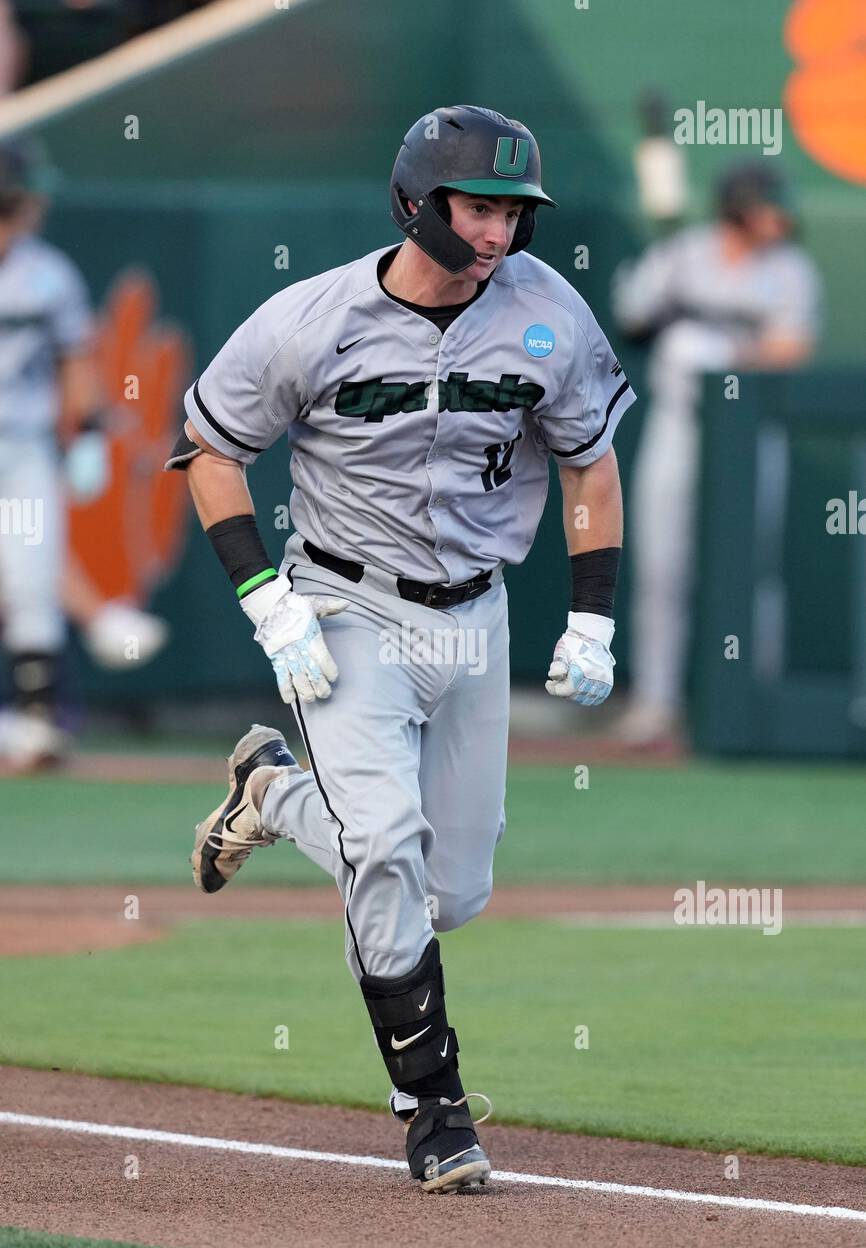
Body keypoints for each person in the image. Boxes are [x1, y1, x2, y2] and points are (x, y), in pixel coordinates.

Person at [170, 106, 634, 1192]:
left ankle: (271, 798)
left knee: (450, 892)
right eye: (476, 206)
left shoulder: (546, 313)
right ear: (415, 203)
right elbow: (206, 451)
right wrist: (266, 605)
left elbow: (590, 465)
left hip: (475, 615)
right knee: (382, 846)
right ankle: (433, 1109)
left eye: (513, 212)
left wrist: (593, 614)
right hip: (344, 606)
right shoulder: (311, 317)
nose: (496, 233)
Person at [611, 162, 822, 748]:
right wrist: (659, 290)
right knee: (662, 565)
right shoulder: (683, 254)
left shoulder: (789, 270)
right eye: (766, 205)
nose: (778, 217)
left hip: (752, 431)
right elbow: (632, 318)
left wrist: (722, 350)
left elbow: (791, 349)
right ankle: (656, 704)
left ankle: (755, 698)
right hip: (679, 425)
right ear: (738, 207)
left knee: (752, 568)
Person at [0, 139, 168, 771]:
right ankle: (97, 629)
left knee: (31, 575)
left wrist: (91, 433)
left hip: (19, 445)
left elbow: (76, 363)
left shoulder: (47, 273)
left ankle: (38, 722)